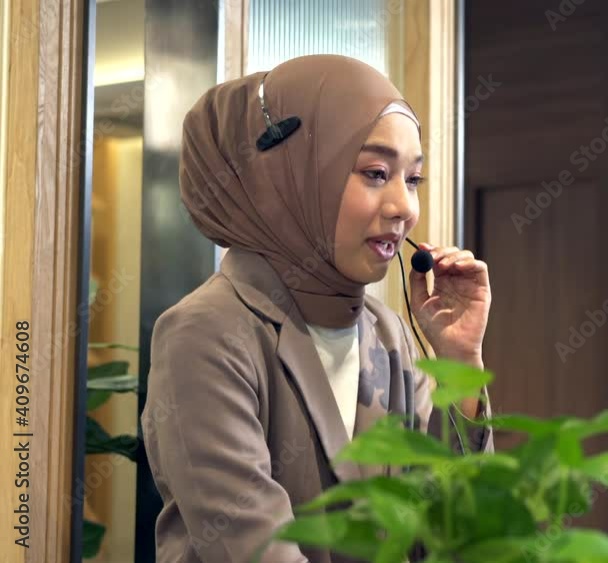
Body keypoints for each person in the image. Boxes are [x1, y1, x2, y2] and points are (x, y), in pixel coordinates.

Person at [141, 54, 494, 563]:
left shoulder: (388, 334)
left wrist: (460, 362)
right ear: (289, 178)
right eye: (376, 173)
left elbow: (449, 535)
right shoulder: (205, 334)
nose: (404, 207)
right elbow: (255, 550)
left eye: (412, 179)